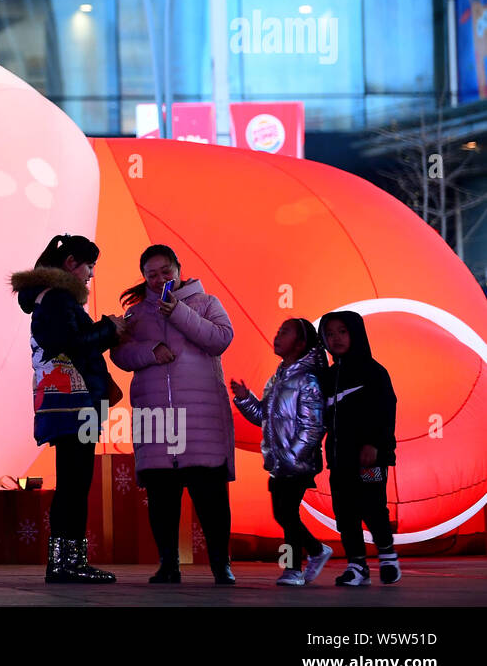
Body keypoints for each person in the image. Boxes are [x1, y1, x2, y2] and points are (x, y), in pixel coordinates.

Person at [109, 243, 237, 585]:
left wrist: (177, 312)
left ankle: (220, 565)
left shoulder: (207, 303)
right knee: (162, 498)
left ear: (179, 269)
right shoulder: (136, 315)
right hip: (156, 420)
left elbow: (221, 339)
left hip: (201, 419)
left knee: (210, 498)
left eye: (166, 271)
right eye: (151, 274)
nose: (159, 279)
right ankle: (168, 564)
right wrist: (151, 351)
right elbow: (120, 355)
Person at [11, 234, 125, 584]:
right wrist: (109, 329)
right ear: (72, 263)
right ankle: (67, 563)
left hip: (60, 405)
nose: (91, 274)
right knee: (75, 485)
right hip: (75, 405)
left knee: (73, 484)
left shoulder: (46, 298)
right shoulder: (59, 299)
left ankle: (67, 561)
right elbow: (69, 344)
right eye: (90, 266)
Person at [231, 318, 331, 586]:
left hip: (297, 464)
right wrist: (244, 398)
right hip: (279, 463)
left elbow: (313, 426)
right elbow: (264, 416)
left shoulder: (307, 380)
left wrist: (291, 456)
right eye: (278, 330)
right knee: (283, 514)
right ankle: (317, 550)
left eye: (285, 332)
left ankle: (293, 569)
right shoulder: (277, 378)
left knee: (286, 513)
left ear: (300, 344)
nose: (277, 335)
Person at [319, 311, 400, 586]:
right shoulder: (328, 378)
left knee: (373, 505)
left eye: (342, 331)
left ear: (356, 333)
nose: (336, 338)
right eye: (330, 334)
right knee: (344, 510)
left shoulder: (374, 372)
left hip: (370, 463)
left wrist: (374, 445)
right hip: (339, 462)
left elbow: (386, 412)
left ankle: (387, 556)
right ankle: (357, 566)